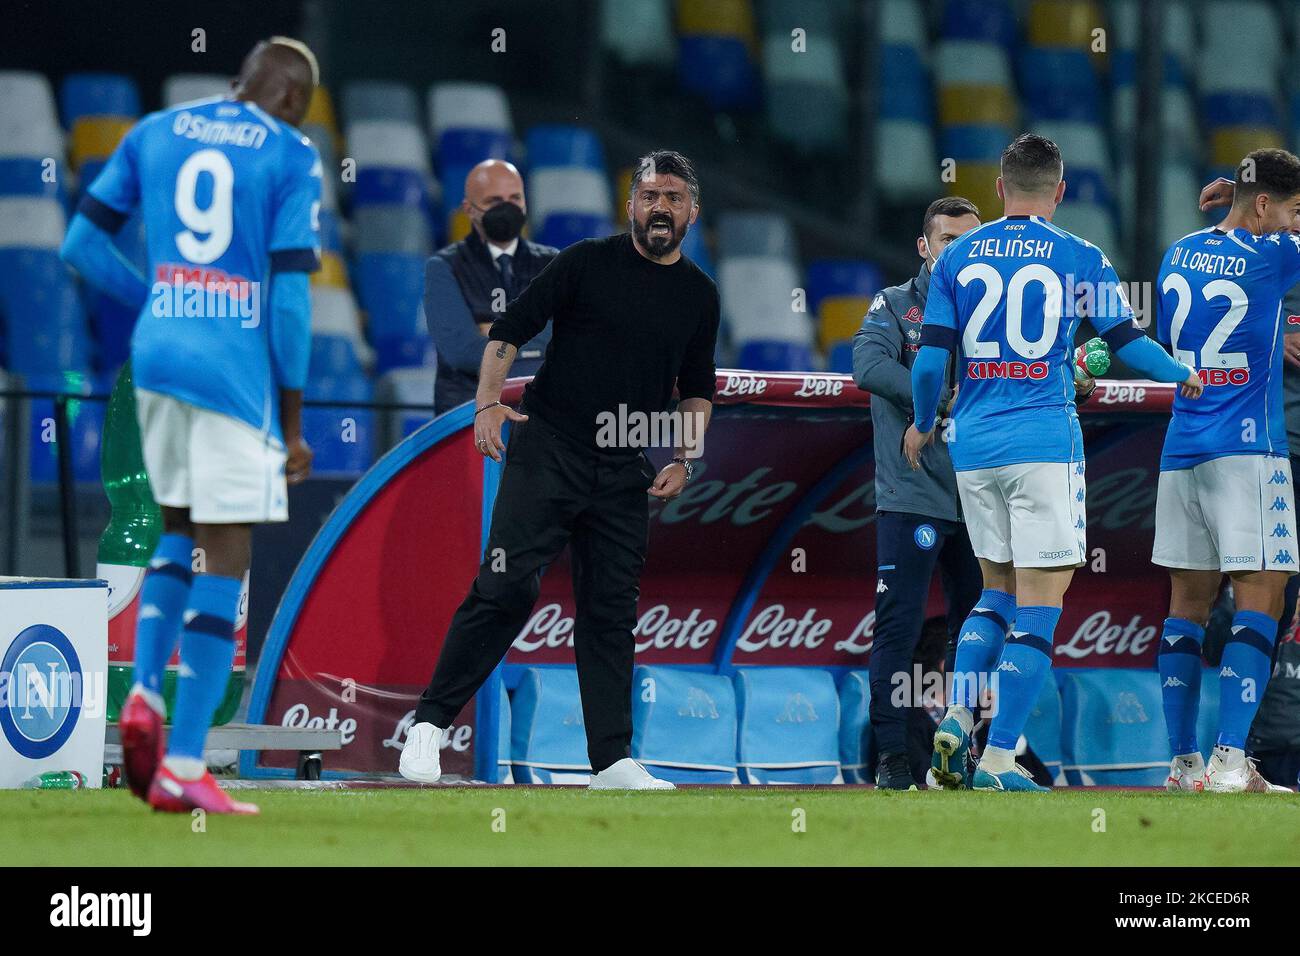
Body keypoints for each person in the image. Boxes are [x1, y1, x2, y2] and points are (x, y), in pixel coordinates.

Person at [399, 150, 720, 789]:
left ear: (692, 211)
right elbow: (508, 333)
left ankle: (611, 762)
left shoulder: (699, 295)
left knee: (610, 612)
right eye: (651, 195)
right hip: (549, 448)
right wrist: (488, 403)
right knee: (505, 589)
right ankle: (430, 725)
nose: (661, 207)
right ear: (630, 204)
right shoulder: (584, 262)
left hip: (627, 461)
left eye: (674, 197)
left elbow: (697, 386)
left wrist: (686, 454)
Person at [61, 38, 322, 814]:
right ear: (295, 98)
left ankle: (143, 690)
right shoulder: (291, 152)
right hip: (229, 366)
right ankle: (181, 759)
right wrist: (295, 420)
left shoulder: (156, 129)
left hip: (158, 356)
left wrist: (155, 301)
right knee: (227, 550)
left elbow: (79, 244)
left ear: (238, 80)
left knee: (175, 530)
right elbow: (289, 301)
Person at [904, 133, 1202, 792]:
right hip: (1043, 444)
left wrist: (925, 425)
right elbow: (1127, 343)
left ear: (999, 189)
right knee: (1039, 604)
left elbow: (928, 365)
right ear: (1060, 192)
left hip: (974, 445)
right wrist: (1183, 373)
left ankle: (956, 714)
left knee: (994, 592)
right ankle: (998, 757)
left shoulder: (958, 258)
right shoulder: (1080, 255)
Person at [1152, 150, 1300, 794]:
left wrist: (1237, 197)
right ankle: (1231, 760)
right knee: (1262, 596)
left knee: (1187, 607)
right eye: (1293, 211)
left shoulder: (1177, 253)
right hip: (1250, 452)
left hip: (1182, 446)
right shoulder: (1275, 256)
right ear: (1265, 206)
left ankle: (1184, 765)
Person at [852, 196, 984, 789]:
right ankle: (893, 763)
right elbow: (867, 368)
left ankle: (965, 757)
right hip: (913, 494)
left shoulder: (998, 313)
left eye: (969, 240)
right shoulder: (895, 305)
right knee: (899, 630)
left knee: (977, 632)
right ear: (924, 246)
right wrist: (935, 402)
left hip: (984, 495)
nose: (957, 250)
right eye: (947, 238)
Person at [426, 159, 556, 414]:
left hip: (539, 410)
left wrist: (494, 333)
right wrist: (529, 335)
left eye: (515, 198)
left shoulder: (553, 262)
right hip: (467, 413)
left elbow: (569, 338)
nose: (506, 208)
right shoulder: (443, 267)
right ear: (469, 209)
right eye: (494, 201)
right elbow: (462, 351)